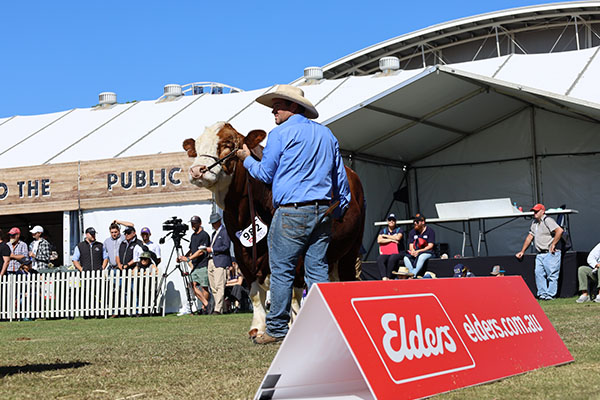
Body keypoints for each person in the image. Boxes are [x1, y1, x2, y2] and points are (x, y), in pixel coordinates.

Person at [236, 84, 351, 344]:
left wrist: (245, 158)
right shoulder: (326, 134)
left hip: (291, 211)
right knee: (318, 271)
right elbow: (339, 177)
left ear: (293, 107)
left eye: (278, 105)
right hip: (323, 211)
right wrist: (340, 208)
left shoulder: (279, 134)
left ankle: (276, 329)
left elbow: (265, 174)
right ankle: (327, 327)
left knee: (282, 271)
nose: (273, 110)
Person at [516, 203, 564, 300]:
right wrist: (522, 251)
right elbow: (530, 237)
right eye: (534, 211)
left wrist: (553, 244)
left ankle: (550, 295)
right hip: (540, 253)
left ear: (543, 211)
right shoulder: (534, 223)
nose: (535, 213)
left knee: (552, 275)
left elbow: (560, 230)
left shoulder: (548, 220)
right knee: (538, 274)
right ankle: (542, 294)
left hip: (550, 252)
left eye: (537, 211)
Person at [177, 215, 211, 315]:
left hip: (203, 263)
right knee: (192, 285)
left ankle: (205, 308)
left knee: (204, 287)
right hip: (195, 265)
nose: (193, 225)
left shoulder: (204, 235)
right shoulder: (193, 236)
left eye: (195, 223)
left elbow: (201, 251)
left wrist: (188, 259)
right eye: (192, 223)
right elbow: (192, 250)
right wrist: (183, 257)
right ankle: (206, 304)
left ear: (200, 223)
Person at [206, 212, 232, 315]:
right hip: (212, 260)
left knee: (219, 285)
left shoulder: (225, 232)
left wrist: (212, 249)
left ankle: (218, 309)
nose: (213, 225)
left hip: (220, 261)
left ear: (219, 221)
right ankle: (223, 308)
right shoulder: (214, 234)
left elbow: (226, 246)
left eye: (214, 223)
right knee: (213, 287)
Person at [376, 213, 405, 280]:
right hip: (387, 252)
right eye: (390, 220)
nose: (391, 221)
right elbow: (379, 240)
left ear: (395, 221)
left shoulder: (399, 230)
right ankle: (384, 277)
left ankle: (389, 277)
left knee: (392, 258)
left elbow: (398, 238)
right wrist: (392, 240)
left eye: (393, 220)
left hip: (398, 252)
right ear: (387, 221)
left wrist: (385, 236)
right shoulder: (383, 230)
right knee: (380, 258)